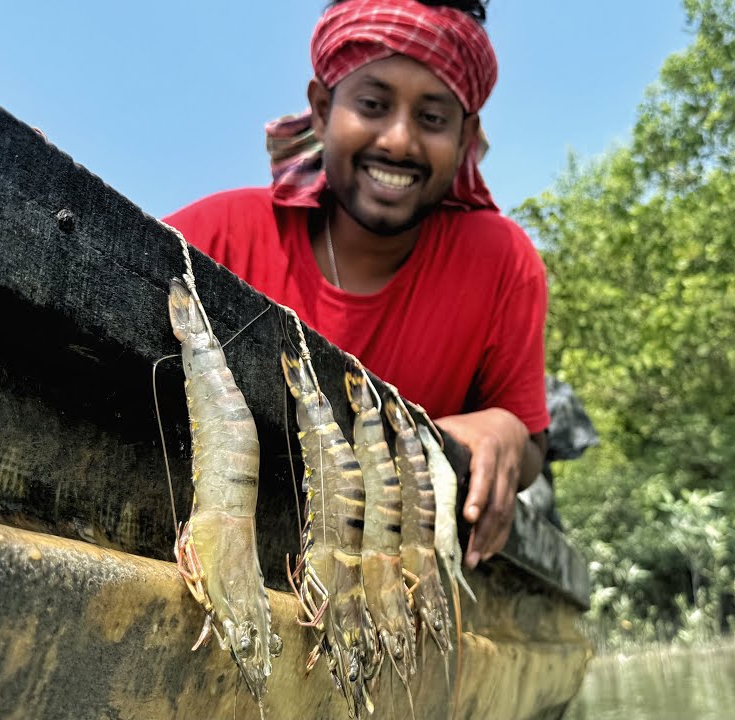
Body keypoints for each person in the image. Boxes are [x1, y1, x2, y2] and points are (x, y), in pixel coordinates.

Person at [164, 0, 548, 570]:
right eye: (372, 104)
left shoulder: (501, 262)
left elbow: (533, 446)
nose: (399, 141)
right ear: (321, 109)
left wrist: (504, 427)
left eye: (433, 118)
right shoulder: (213, 237)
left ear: (467, 137)